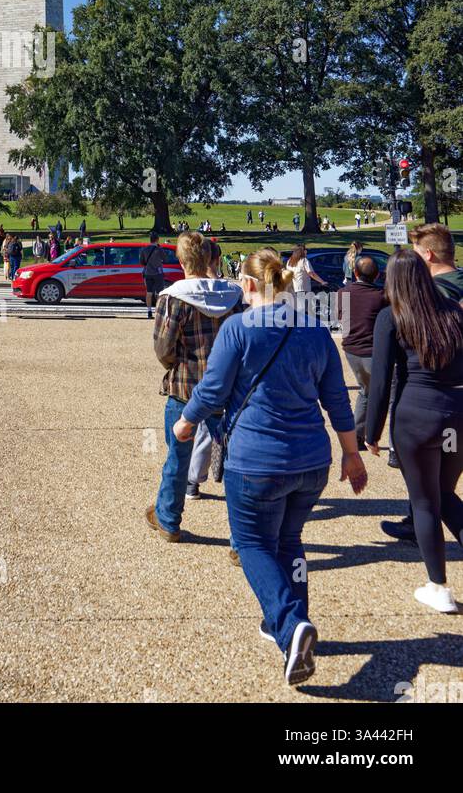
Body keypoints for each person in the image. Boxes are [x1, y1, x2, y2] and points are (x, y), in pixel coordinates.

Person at [176, 248, 366, 685]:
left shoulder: (238, 329)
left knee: (252, 544)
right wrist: (351, 453)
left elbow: (213, 389)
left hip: (257, 461)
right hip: (312, 460)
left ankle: (289, 624)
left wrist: (187, 422)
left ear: (246, 285)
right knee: (289, 541)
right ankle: (289, 627)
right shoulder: (315, 331)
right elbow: (336, 399)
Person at [366, 248, 463, 614]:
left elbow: (380, 381)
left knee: (426, 501)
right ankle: (437, 584)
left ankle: (438, 586)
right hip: (457, 412)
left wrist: (371, 431)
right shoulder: (454, 312)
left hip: (416, 416)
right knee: (443, 495)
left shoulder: (392, 318)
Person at [146, 232, 242, 542]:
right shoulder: (233, 296)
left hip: (185, 385)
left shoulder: (172, 297)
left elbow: (163, 348)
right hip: (226, 387)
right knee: (236, 461)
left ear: (180, 260)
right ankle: (245, 534)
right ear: (211, 258)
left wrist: (177, 364)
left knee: (178, 456)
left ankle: (168, 518)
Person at [187, 242, 243, 499]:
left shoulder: (186, 293)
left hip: (195, 366)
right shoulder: (232, 293)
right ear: (217, 260)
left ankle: (193, 480)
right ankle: (233, 476)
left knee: (200, 426)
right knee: (228, 426)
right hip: (229, 366)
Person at [336, 256, 387, 451]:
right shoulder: (381, 297)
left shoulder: (342, 293)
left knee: (365, 391)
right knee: (388, 397)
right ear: (377, 275)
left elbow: (342, 318)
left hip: (351, 350)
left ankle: (357, 436)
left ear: (355, 273)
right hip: (373, 351)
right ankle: (392, 445)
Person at [140, 235, 166, 321]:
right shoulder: (159, 249)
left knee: (149, 293)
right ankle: (158, 311)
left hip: (148, 273)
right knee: (159, 293)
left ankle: (149, 311)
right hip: (158, 273)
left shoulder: (144, 249)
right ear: (157, 240)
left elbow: (142, 262)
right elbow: (165, 258)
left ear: (150, 240)